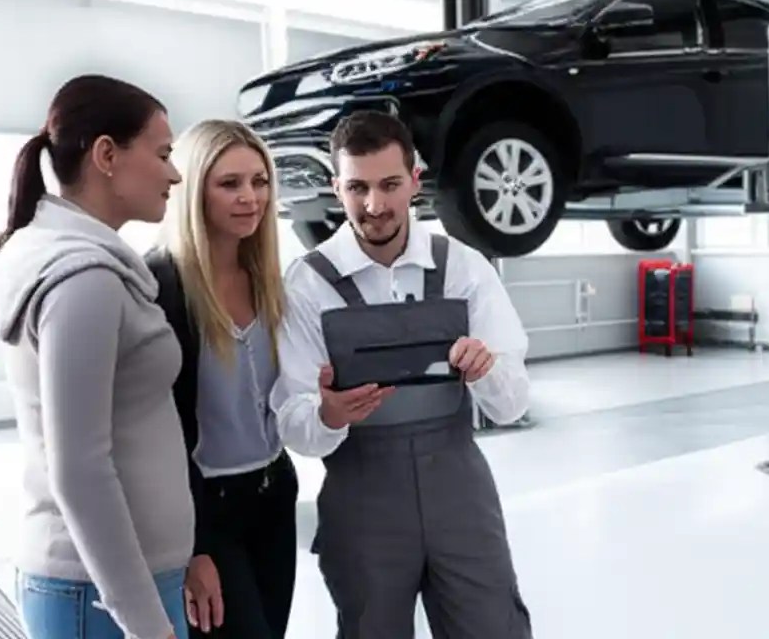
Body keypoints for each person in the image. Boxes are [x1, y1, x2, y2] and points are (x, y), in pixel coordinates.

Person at [270, 109, 534, 638]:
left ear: (415, 179)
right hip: (362, 498)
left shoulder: (464, 268)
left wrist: (485, 372)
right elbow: (294, 426)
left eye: (390, 184)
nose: (375, 205)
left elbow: (512, 405)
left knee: (493, 627)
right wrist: (326, 413)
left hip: (459, 489)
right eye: (357, 188)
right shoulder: (305, 285)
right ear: (335, 187)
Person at [0, 74, 192, 639]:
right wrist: (146, 622)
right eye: (163, 152)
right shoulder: (85, 281)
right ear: (106, 154)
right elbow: (78, 469)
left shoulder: (77, 261)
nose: (175, 173)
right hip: (104, 599)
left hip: (114, 590)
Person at [145, 119, 297, 639]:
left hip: (275, 493)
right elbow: (155, 432)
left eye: (259, 181)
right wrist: (194, 544)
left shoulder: (272, 281)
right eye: (229, 183)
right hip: (207, 508)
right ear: (192, 187)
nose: (250, 197)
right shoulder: (160, 285)